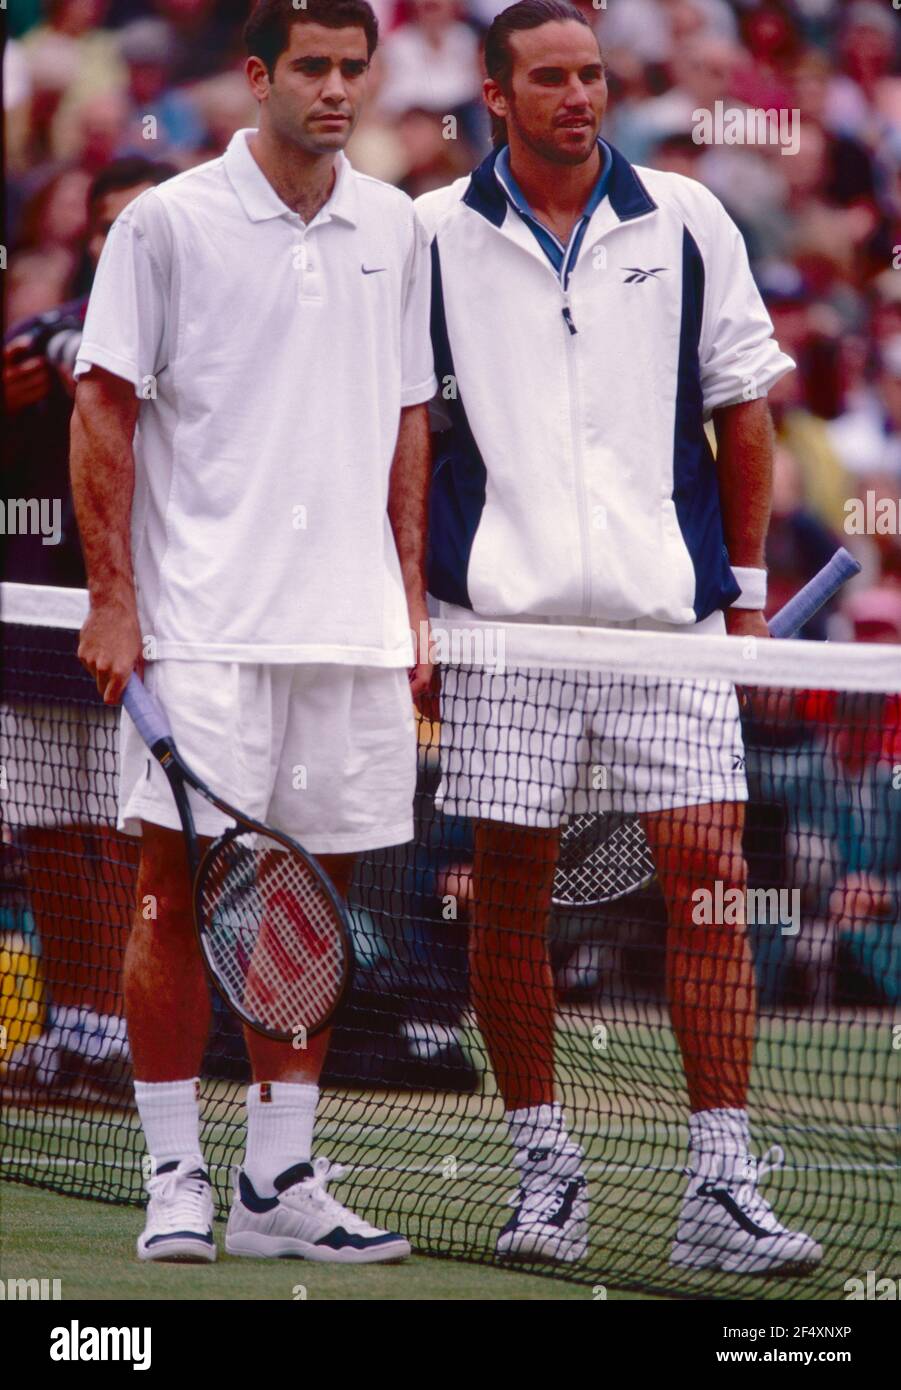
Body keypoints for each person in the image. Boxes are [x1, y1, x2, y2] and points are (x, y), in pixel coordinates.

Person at [416, 0, 822, 1273]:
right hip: (502, 627)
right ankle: (544, 1169)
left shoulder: (691, 219)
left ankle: (720, 1181)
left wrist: (745, 589)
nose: (577, 96)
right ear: (495, 92)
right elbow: (405, 433)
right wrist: (409, 608)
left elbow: (742, 408)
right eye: (548, 77)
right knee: (508, 895)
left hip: (668, 621)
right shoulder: (424, 236)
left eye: (590, 73)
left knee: (708, 877)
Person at [71, 0, 436, 1265]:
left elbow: (407, 420)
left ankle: (278, 1180)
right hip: (204, 627)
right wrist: (116, 597)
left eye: (354, 69)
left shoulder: (395, 225)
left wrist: (408, 601)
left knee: (314, 899)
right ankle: (175, 1171)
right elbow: (103, 409)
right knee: (174, 896)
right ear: (256, 76)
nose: (335, 89)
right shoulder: (165, 223)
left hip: (347, 631)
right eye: (312, 68)